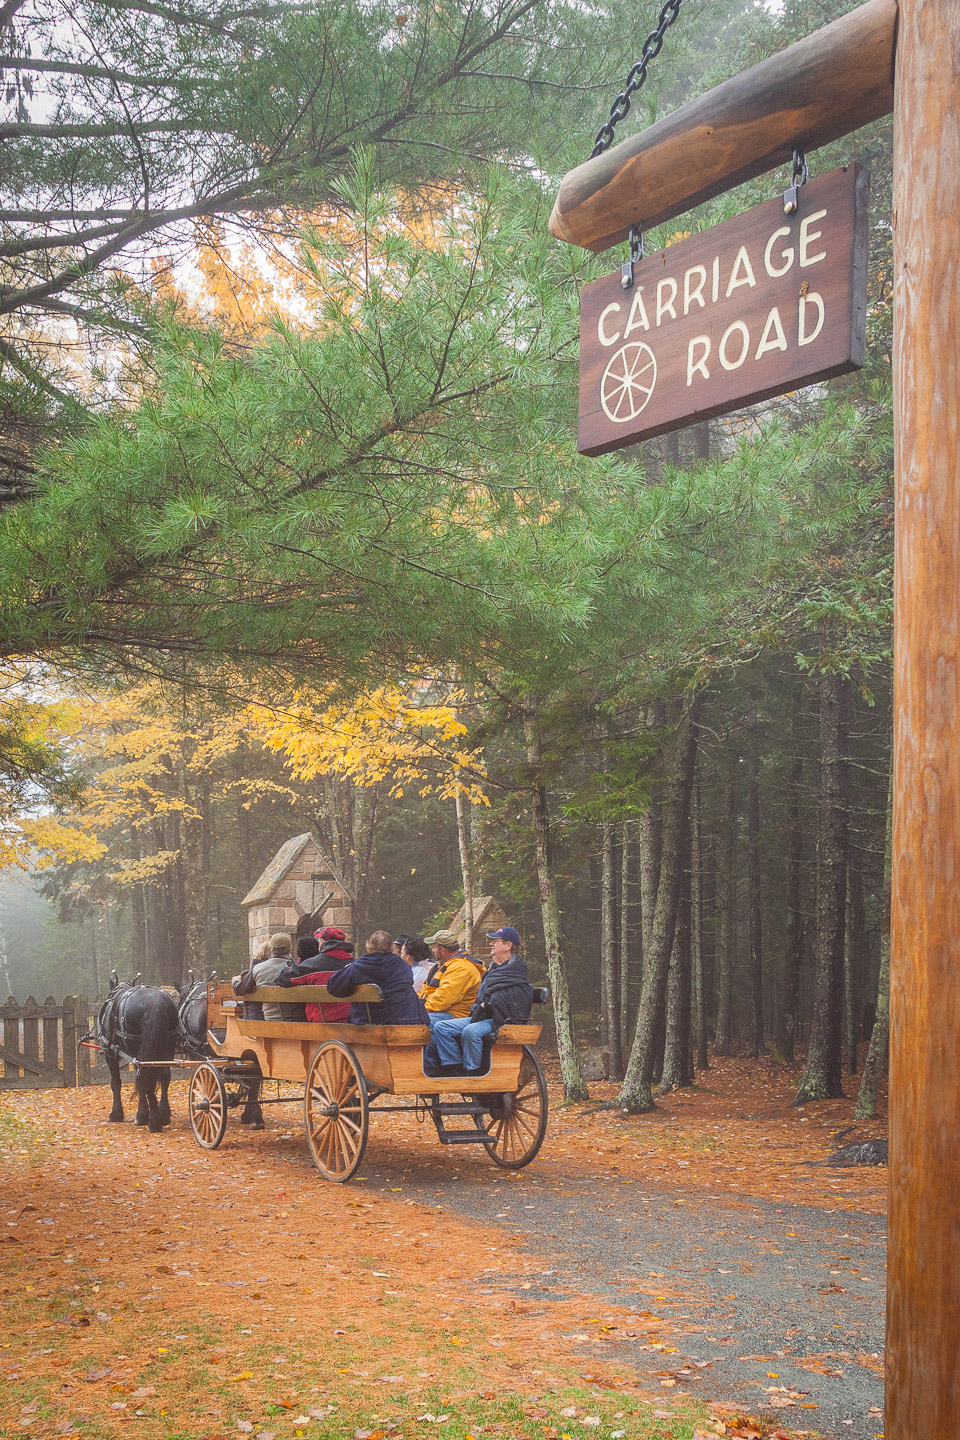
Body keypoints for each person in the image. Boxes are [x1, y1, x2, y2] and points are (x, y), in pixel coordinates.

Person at [430, 926, 533, 1073]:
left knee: (471, 1031)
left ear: (507, 945)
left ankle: (472, 1072)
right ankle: (454, 1068)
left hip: (501, 1019)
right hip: (481, 1016)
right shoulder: (493, 969)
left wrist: (490, 1003)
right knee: (441, 1027)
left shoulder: (515, 969)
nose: (490, 943)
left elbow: (518, 996)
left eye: (495, 941)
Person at [326, 928, 429, 1025]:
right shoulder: (403, 967)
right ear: (391, 946)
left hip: (368, 1021)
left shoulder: (358, 967)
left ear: (368, 945)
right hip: (402, 1020)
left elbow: (333, 986)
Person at [284, 927, 355, 1022]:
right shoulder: (355, 965)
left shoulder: (311, 965)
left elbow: (284, 978)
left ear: (323, 942)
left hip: (320, 1022)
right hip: (352, 1021)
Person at [420, 928, 484, 1021]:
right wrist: (414, 1005)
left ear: (442, 950)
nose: (432, 950)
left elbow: (443, 999)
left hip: (454, 1015)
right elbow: (426, 990)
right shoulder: (443, 965)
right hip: (437, 1011)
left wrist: (420, 1010)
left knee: (419, 1021)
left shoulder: (462, 968)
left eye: (434, 947)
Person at [253, 933, 299, 1020]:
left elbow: (240, 989)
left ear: (271, 948)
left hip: (269, 1020)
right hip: (294, 1021)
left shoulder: (258, 969)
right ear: (290, 948)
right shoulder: (296, 969)